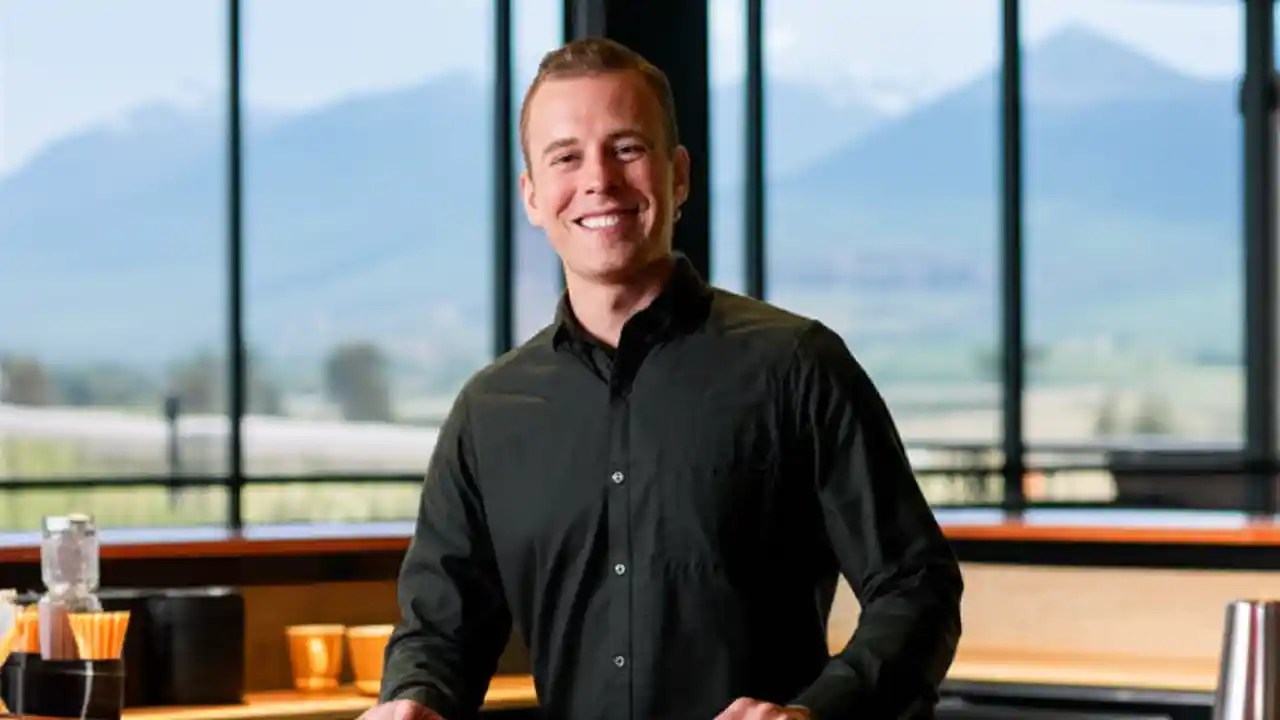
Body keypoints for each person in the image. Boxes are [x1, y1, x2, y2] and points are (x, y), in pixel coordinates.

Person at [361, 37, 963, 720]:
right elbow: (441, 631)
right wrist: (414, 701)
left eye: (626, 149)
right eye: (566, 157)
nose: (599, 180)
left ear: (678, 176)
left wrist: (816, 713)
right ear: (532, 196)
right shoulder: (488, 412)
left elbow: (916, 588)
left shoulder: (798, 366)